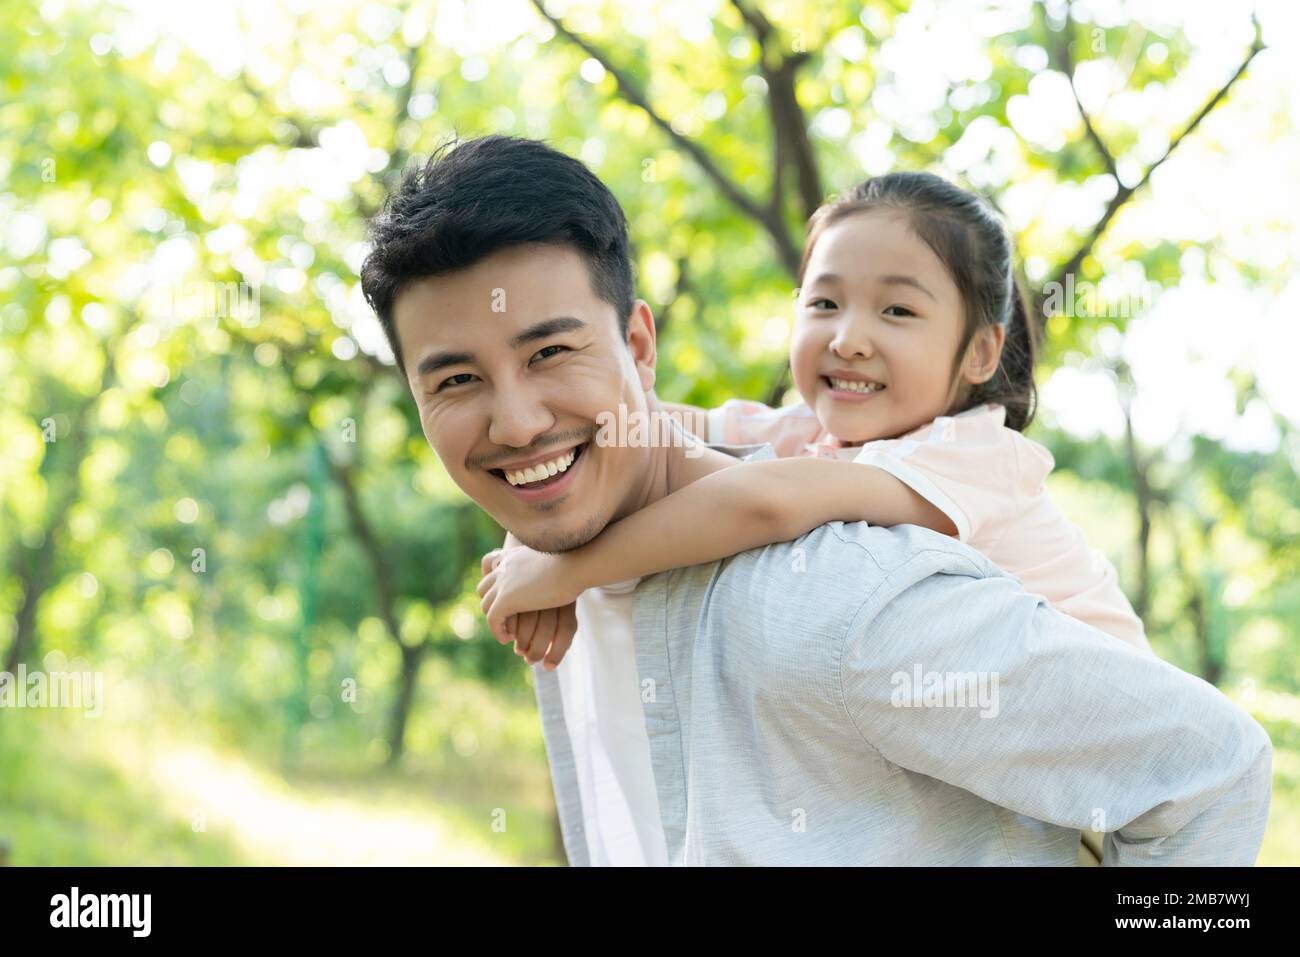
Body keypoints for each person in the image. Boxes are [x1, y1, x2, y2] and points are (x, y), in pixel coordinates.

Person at [360, 134, 1272, 865]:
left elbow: (1210, 768)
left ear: (638, 344)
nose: (518, 424)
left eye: (551, 353)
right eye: (456, 380)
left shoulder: (863, 571)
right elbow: (699, 435)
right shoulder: (795, 446)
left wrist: (559, 563)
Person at [477, 172, 1150, 662]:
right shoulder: (807, 432)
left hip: (1119, 787)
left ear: (978, 352)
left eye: (897, 310)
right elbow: (609, 428)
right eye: (824, 303)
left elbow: (761, 505)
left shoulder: (975, 457)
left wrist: (567, 570)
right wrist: (536, 532)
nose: (848, 337)